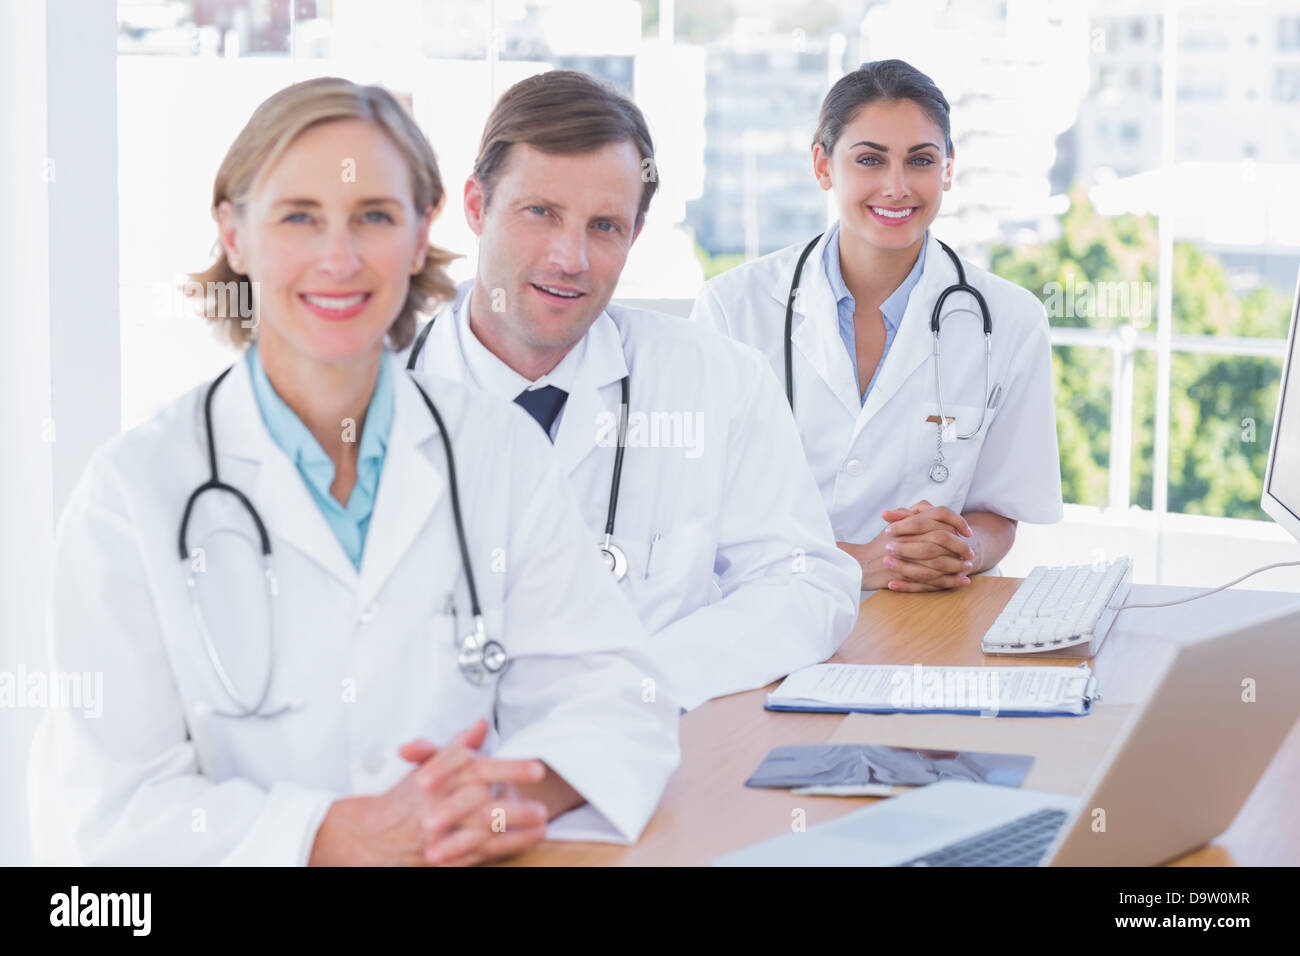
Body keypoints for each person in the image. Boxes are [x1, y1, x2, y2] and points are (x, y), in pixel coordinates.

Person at [28, 77, 678, 866]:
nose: (339, 258)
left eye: (374, 216)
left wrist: (511, 796)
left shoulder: (496, 451)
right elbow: (107, 810)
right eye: (299, 217)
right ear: (235, 234)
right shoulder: (132, 494)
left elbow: (618, 697)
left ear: (420, 235)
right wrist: (331, 833)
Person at [406, 71, 861, 711]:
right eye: (541, 212)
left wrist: (634, 685)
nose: (571, 258)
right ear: (477, 206)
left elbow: (807, 584)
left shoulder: (718, 380)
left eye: (604, 226)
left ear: (634, 236)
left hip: (648, 752)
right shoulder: (369, 395)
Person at [692, 59, 1063, 593]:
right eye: (870, 159)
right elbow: (702, 509)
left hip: (933, 611)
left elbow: (999, 511)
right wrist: (860, 563)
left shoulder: (1011, 321)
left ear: (948, 169)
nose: (896, 186)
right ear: (823, 166)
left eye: (920, 160)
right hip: (772, 605)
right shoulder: (732, 308)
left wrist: (960, 550)